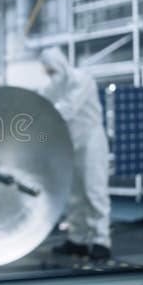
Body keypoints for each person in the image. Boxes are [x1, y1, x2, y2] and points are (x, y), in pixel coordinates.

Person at [38, 47, 112, 260]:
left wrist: (43, 115)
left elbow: (68, 108)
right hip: (70, 143)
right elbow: (40, 101)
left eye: (52, 69)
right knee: (74, 194)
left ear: (60, 63)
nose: (50, 74)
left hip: (91, 142)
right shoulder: (53, 86)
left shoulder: (81, 79)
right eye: (47, 70)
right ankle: (77, 239)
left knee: (94, 190)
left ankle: (101, 240)